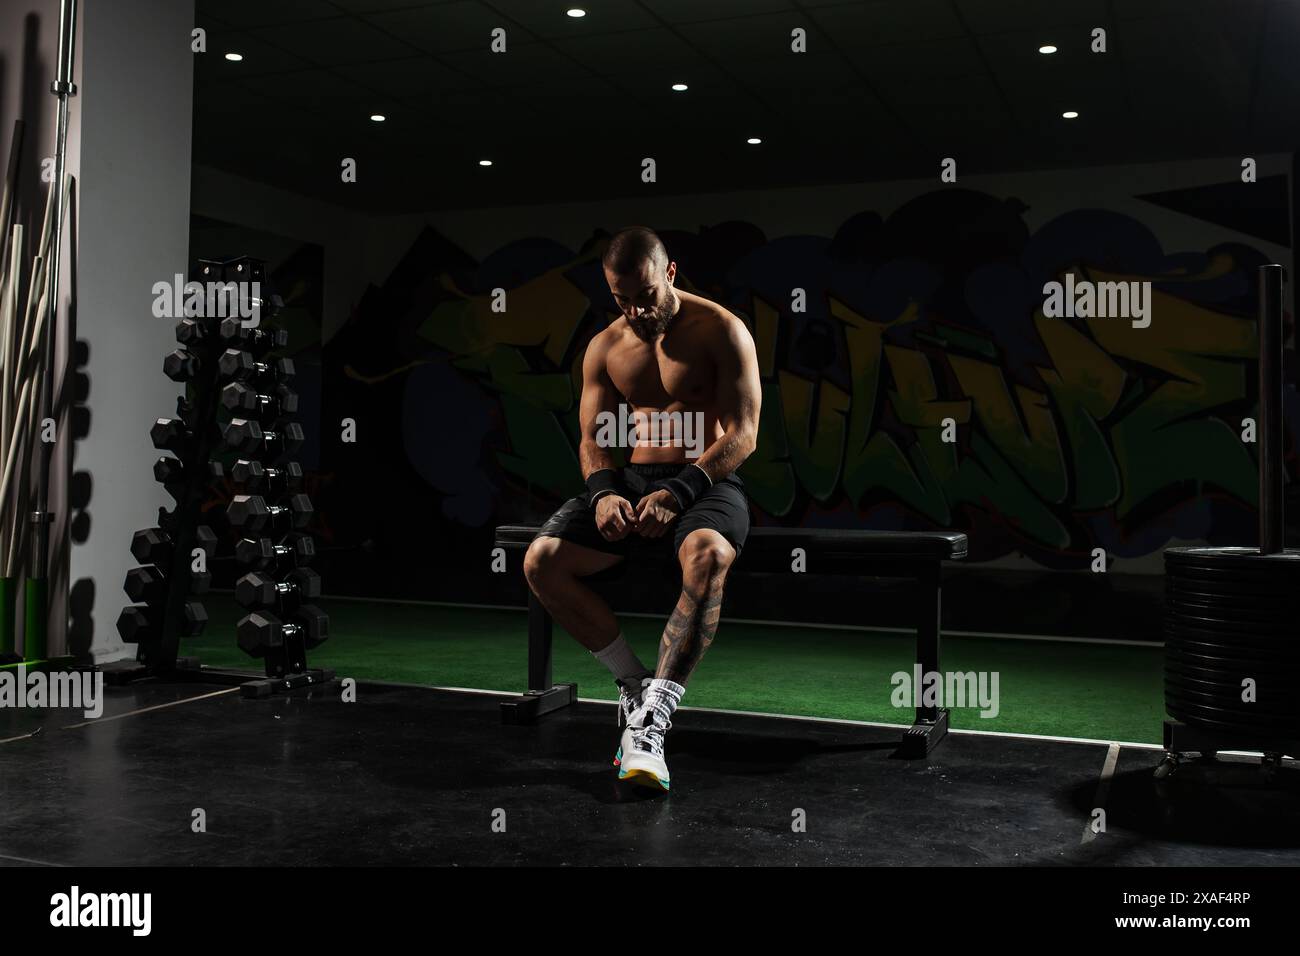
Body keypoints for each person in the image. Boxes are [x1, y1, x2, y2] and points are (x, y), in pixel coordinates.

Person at [523, 226, 761, 791]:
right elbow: (592, 438)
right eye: (621, 298)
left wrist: (679, 491)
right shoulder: (606, 345)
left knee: (706, 555)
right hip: (630, 483)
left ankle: (654, 720)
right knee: (541, 561)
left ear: (670, 273)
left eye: (645, 295)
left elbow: (744, 433)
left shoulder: (721, 329)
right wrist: (605, 493)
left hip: (705, 482)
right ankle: (634, 687)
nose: (635, 310)